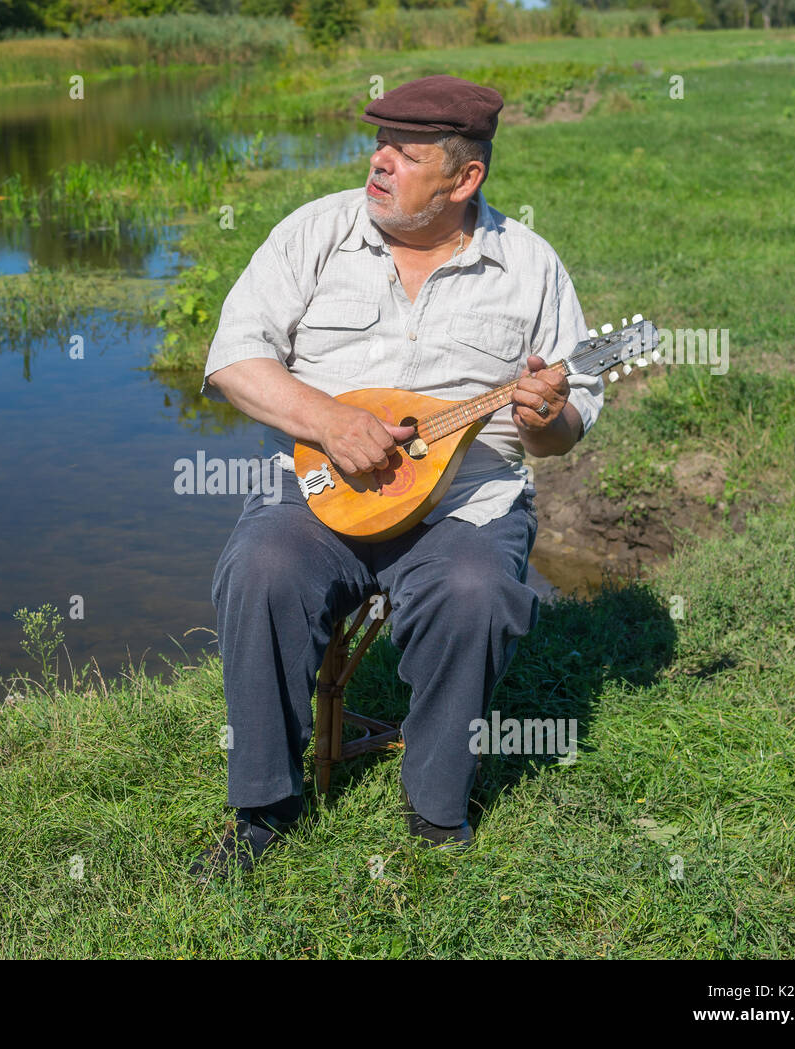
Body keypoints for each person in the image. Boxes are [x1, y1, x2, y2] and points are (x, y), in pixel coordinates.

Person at [189, 74, 604, 880]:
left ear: (464, 178)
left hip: (465, 504)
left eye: (405, 155)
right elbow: (233, 361)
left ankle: (436, 810)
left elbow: (564, 431)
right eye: (377, 145)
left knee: (476, 591)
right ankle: (263, 813)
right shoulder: (316, 233)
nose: (377, 164)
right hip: (317, 494)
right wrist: (328, 422)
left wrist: (543, 414)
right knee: (262, 568)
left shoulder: (529, 263)